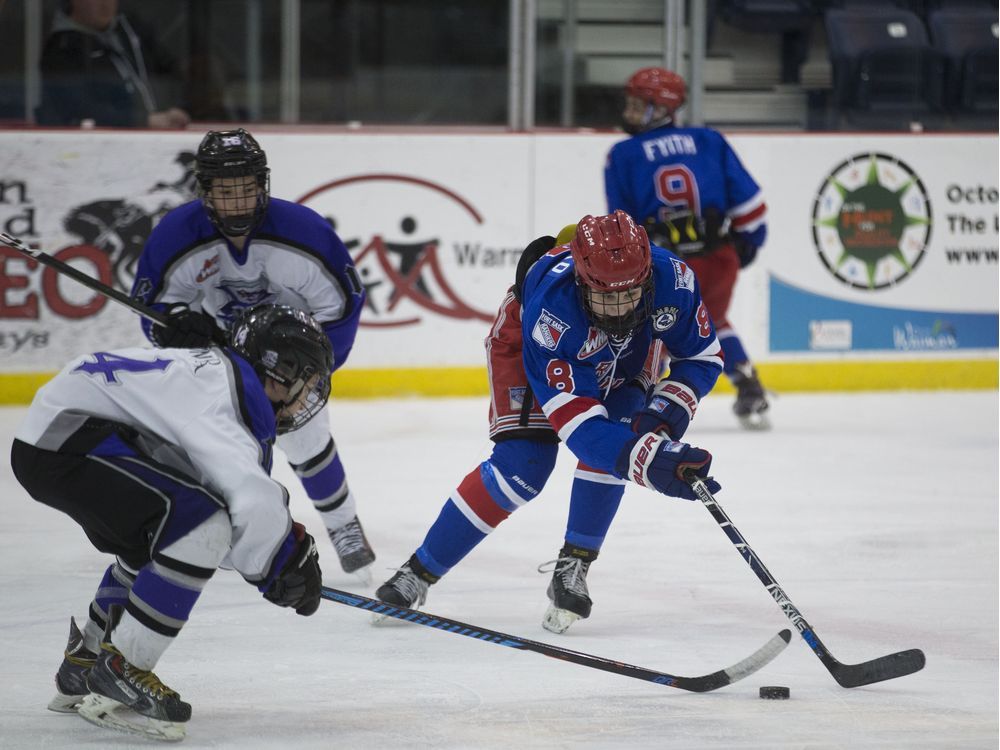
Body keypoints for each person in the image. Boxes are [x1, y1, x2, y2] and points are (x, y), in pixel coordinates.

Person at [375, 211, 723, 634]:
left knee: (628, 436)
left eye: (630, 294)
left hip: (631, 353)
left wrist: (664, 419)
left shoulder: (674, 281)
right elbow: (581, 429)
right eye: (605, 296)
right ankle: (419, 570)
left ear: (648, 276)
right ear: (581, 281)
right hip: (530, 350)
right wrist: (649, 464)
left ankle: (574, 565)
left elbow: (701, 358)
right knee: (524, 467)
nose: (618, 309)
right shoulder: (552, 313)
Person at [10, 304, 332, 741]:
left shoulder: (216, 377)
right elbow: (249, 500)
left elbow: (230, 499)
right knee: (201, 525)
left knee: (162, 538)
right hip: (70, 438)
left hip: (65, 434)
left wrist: (275, 558)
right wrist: (282, 563)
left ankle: (84, 664)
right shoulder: (228, 398)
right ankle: (122, 667)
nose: (307, 396)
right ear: (279, 372)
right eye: (308, 382)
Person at [129, 128, 376, 580]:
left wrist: (311, 373)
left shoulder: (305, 232)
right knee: (208, 444)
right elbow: (152, 309)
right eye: (225, 192)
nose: (238, 204)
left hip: (289, 356)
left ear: (263, 185)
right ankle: (208, 528)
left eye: (247, 190)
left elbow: (342, 308)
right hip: (217, 354)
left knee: (306, 437)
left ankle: (344, 525)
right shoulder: (175, 236)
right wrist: (177, 328)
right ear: (204, 192)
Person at [605, 67, 771, 429]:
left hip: (664, 262)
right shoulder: (710, 141)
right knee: (711, 318)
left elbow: (622, 224)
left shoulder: (623, 154)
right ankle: (747, 382)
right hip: (718, 256)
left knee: (650, 326)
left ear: (661, 108)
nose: (630, 113)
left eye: (638, 106)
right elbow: (752, 207)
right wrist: (749, 241)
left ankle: (641, 396)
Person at [37, 0, 190, 128]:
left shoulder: (130, 29)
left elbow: (169, 69)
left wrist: (177, 107)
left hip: (159, 137)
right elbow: (81, 109)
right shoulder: (61, 50)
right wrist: (144, 121)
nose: (106, 4)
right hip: (102, 147)